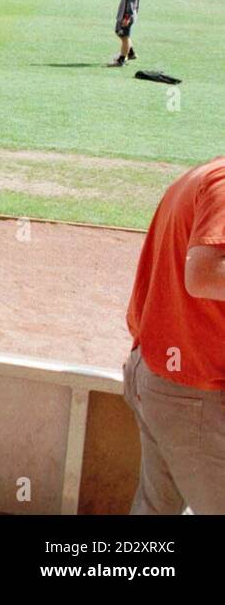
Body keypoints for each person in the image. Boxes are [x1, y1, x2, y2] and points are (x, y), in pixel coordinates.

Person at [122, 158, 225, 514]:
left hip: (160, 376)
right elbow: (205, 275)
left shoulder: (205, 175)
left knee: (156, 509)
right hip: (190, 393)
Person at [109, 0, 140, 67]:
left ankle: (122, 60)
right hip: (124, 14)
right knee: (120, 33)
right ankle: (131, 53)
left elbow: (132, 4)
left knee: (124, 37)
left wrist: (127, 18)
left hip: (126, 16)